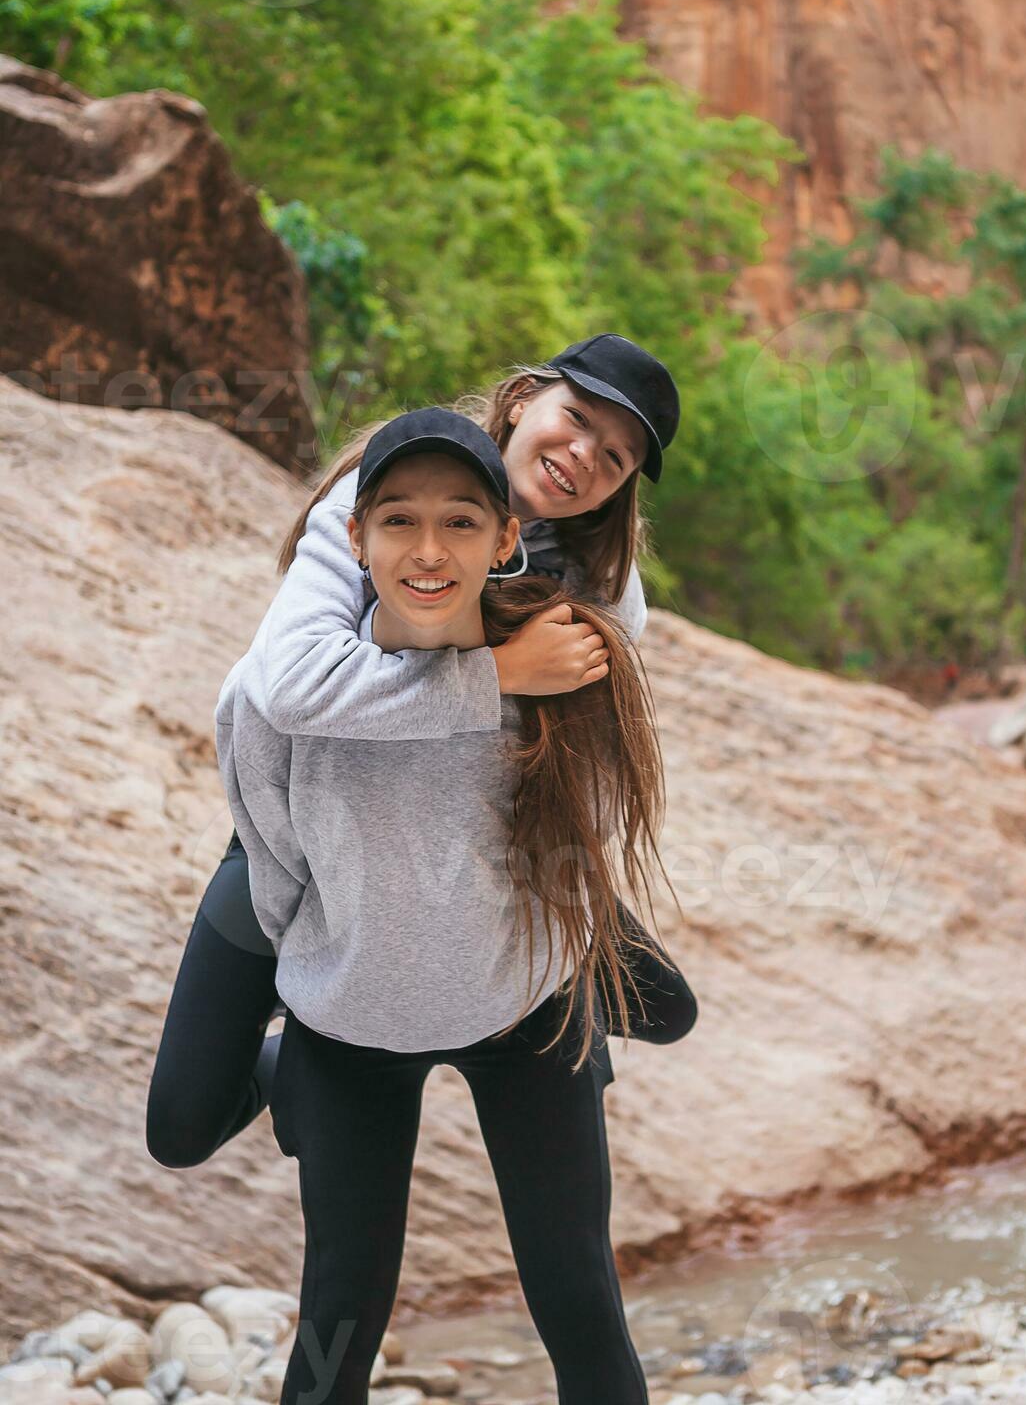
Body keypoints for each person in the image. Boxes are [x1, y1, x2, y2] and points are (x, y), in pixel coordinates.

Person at [146, 335, 697, 1170]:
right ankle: (303, 1050)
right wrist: (498, 674)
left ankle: (537, 995)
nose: (583, 456)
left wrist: (559, 886)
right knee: (182, 1129)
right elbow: (291, 686)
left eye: (615, 458)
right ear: (522, 400)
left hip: (479, 854)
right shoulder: (375, 496)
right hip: (308, 844)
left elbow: (578, 752)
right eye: (575, 418)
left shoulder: (603, 583)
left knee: (664, 1007)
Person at [217, 406, 665, 1405]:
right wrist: (316, 965)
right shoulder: (294, 693)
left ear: (505, 536)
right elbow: (270, 843)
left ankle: (626, 975)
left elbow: (581, 834)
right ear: (355, 535)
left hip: (527, 1015)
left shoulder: (561, 662)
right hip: (352, 1024)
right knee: (339, 1313)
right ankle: (278, 1066)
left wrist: (562, 944)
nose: (429, 550)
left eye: (462, 522)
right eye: (399, 523)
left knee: (579, 1297)